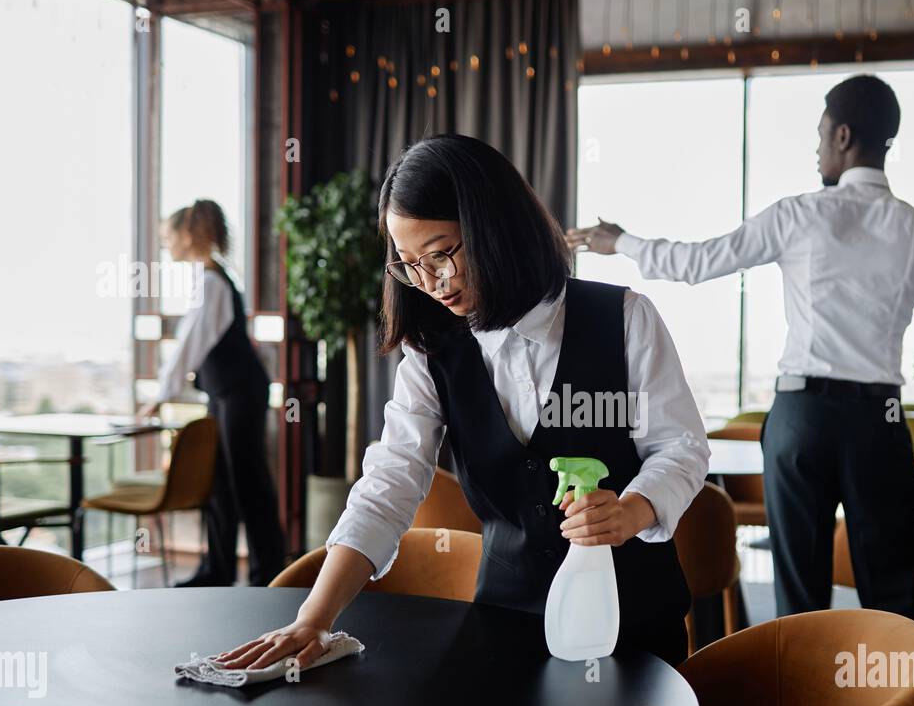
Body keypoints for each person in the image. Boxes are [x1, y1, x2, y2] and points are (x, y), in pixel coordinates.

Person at [566, 74, 914, 706]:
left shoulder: (798, 215)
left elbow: (696, 261)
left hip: (801, 418)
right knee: (893, 594)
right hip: (880, 422)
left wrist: (618, 241)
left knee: (800, 597)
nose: (817, 146)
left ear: (844, 136)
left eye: (820, 132)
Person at [215, 134, 709, 673]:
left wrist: (632, 511)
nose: (430, 283)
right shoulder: (432, 351)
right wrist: (314, 616)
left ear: (495, 226)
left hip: (630, 624)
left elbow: (680, 448)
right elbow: (391, 481)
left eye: (441, 254)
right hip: (505, 624)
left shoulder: (623, 318)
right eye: (408, 264)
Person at [137, 200, 286, 587]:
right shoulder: (212, 278)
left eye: (169, 237)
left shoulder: (211, 282)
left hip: (239, 392)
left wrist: (162, 392)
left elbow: (190, 342)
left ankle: (267, 576)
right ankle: (216, 571)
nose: (166, 245)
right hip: (226, 393)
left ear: (189, 235)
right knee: (219, 480)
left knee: (247, 480)